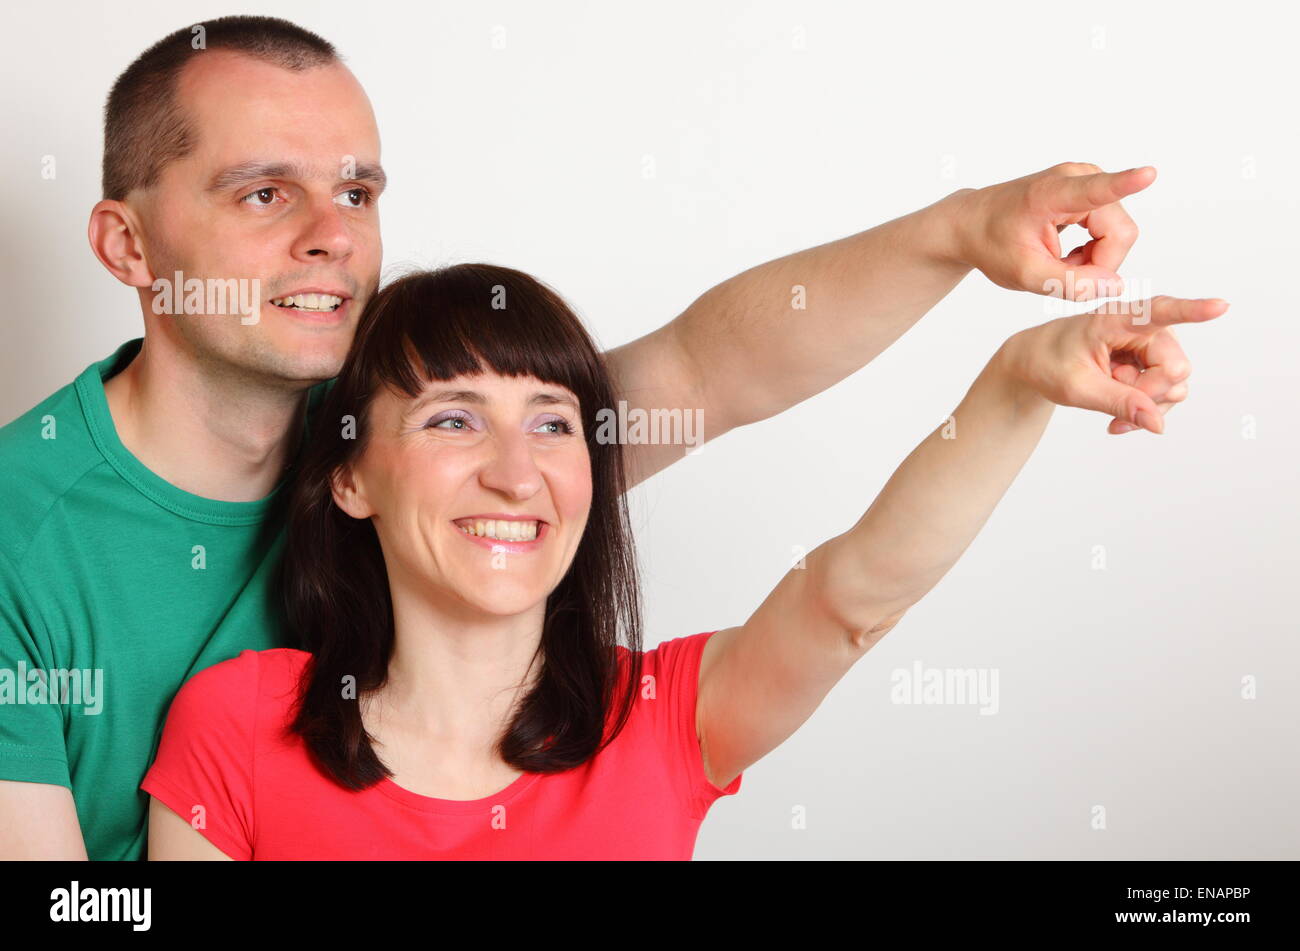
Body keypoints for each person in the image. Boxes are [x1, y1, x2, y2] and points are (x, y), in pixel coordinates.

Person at [0, 14, 1162, 861]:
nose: (331, 237)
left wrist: (965, 230)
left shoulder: (407, 428)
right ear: (128, 246)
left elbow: (715, 367)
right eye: (263, 194)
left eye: (357, 192)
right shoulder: (23, 536)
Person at [140, 263, 1226, 859]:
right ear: (349, 477)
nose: (517, 476)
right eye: (453, 423)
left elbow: (854, 596)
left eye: (554, 424)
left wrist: (1017, 382)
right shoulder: (236, 726)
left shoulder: (660, 717)